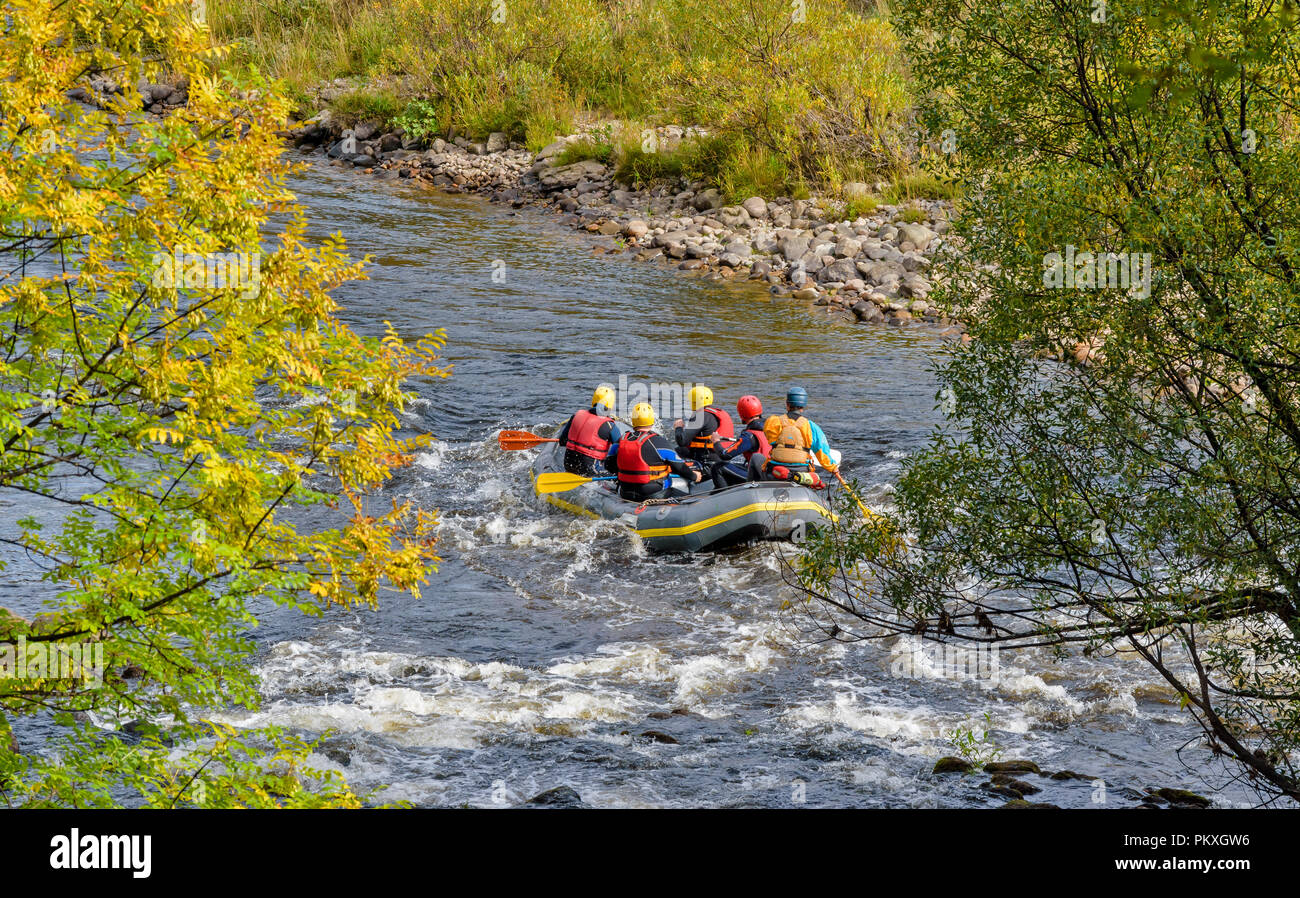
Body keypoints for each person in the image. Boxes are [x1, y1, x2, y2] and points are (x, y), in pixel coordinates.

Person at [605, 402, 702, 501]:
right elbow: (679, 467)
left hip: (625, 492)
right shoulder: (658, 442)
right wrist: (694, 476)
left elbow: (608, 465)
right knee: (690, 497)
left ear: (633, 420)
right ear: (651, 420)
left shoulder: (620, 440)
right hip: (654, 493)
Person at [762, 386, 839, 487]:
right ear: (803, 406)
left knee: (757, 459)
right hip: (802, 471)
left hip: (776, 470)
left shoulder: (773, 422)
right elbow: (822, 453)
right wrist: (833, 468)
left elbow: (770, 441)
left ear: (787, 404)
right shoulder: (812, 427)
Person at [556, 385, 623, 476]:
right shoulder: (609, 425)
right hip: (590, 469)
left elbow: (562, 441)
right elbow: (622, 450)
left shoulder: (576, 415)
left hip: (568, 464)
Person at [711, 394, 772, 489]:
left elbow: (725, 455)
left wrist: (716, 441)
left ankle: (722, 497)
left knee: (717, 467)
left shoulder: (749, 436)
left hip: (759, 476)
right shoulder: (771, 429)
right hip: (771, 473)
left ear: (741, 414)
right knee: (736, 465)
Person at [674, 384, 735, 469]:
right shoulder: (715, 413)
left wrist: (678, 427)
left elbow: (682, 441)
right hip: (720, 458)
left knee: (672, 454)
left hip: (707, 462)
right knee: (678, 451)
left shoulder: (699, 416)